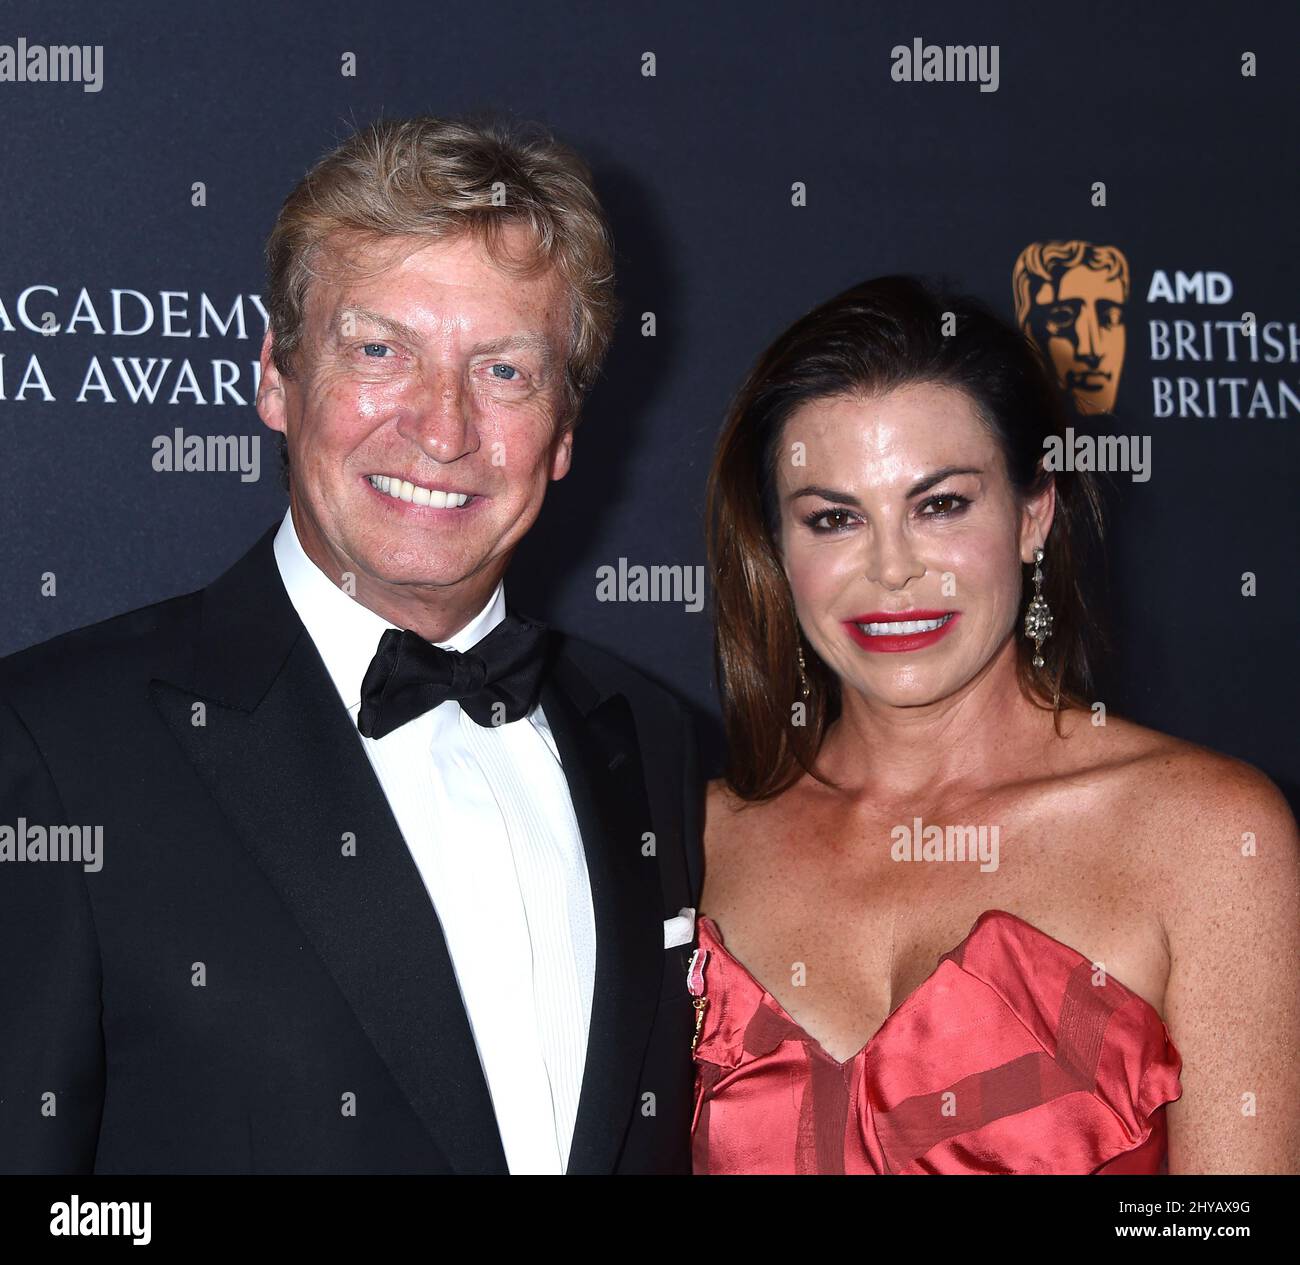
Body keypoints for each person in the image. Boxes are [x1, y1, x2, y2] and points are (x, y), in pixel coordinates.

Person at [0, 115, 702, 1175]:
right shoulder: (55, 749)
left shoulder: (650, 738)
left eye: (504, 371)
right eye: (379, 350)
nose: (443, 426)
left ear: (562, 433)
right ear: (276, 377)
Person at [691, 274, 1300, 1174]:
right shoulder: (695, 838)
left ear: (1032, 513)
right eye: (834, 518)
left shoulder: (1210, 835)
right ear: (778, 550)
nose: (892, 568)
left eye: (941, 504)